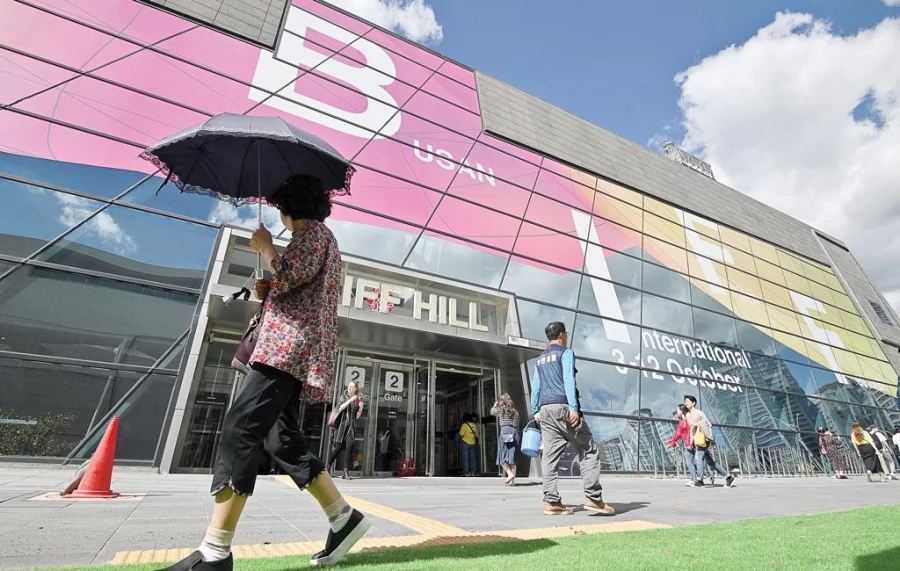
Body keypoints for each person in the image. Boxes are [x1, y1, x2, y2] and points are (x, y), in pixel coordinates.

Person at [160, 176, 369, 571]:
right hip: (294, 349)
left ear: (290, 208)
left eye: (280, 209)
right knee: (281, 440)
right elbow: (294, 282)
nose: (280, 217)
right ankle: (343, 518)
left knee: (241, 429)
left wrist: (266, 249)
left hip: (284, 352)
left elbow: (293, 273)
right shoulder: (319, 239)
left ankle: (215, 552)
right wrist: (269, 287)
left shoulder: (313, 234)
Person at [531, 321, 615, 516]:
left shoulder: (540, 359)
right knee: (589, 449)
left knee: (550, 456)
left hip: (545, 410)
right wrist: (574, 408)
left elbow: (536, 386)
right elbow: (569, 379)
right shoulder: (565, 353)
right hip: (563, 407)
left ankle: (551, 501)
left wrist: (536, 410)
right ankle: (593, 497)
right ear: (562, 335)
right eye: (565, 333)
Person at [683, 395, 734, 488]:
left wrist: (697, 424)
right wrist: (691, 442)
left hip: (703, 439)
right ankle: (728, 476)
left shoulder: (699, 413)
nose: (686, 403)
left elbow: (707, 423)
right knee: (710, 462)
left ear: (693, 403)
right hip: (696, 441)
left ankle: (700, 480)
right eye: (685, 401)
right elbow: (691, 429)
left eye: (688, 401)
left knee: (698, 459)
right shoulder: (687, 415)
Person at [328, 380, 364, 480]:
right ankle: (328, 466)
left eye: (352, 387)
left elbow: (356, 416)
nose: (350, 388)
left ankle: (345, 470)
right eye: (349, 386)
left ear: (356, 388)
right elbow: (339, 408)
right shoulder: (343, 396)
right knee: (338, 448)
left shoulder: (358, 399)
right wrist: (350, 400)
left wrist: (360, 408)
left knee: (349, 447)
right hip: (342, 426)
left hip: (351, 426)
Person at [669, 405, 711, 487]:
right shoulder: (684, 420)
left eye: (678, 410)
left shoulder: (686, 421)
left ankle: (694, 479)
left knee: (690, 462)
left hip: (691, 443)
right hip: (691, 443)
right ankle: (706, 474)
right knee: (695, 461)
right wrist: (673, 441)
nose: (677, 411)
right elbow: (679, 433)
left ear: (682, 411)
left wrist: (688, 443)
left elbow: (688, 433)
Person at [490, 393, 520, 486]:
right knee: (512, 457)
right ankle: (512, 482)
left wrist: (495, 405)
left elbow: (492, 412)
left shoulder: (501, 410)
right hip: (514, 432)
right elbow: (518, 424)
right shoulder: (516, 412)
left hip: (505, 431)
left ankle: (510, 474)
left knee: (501, 455)